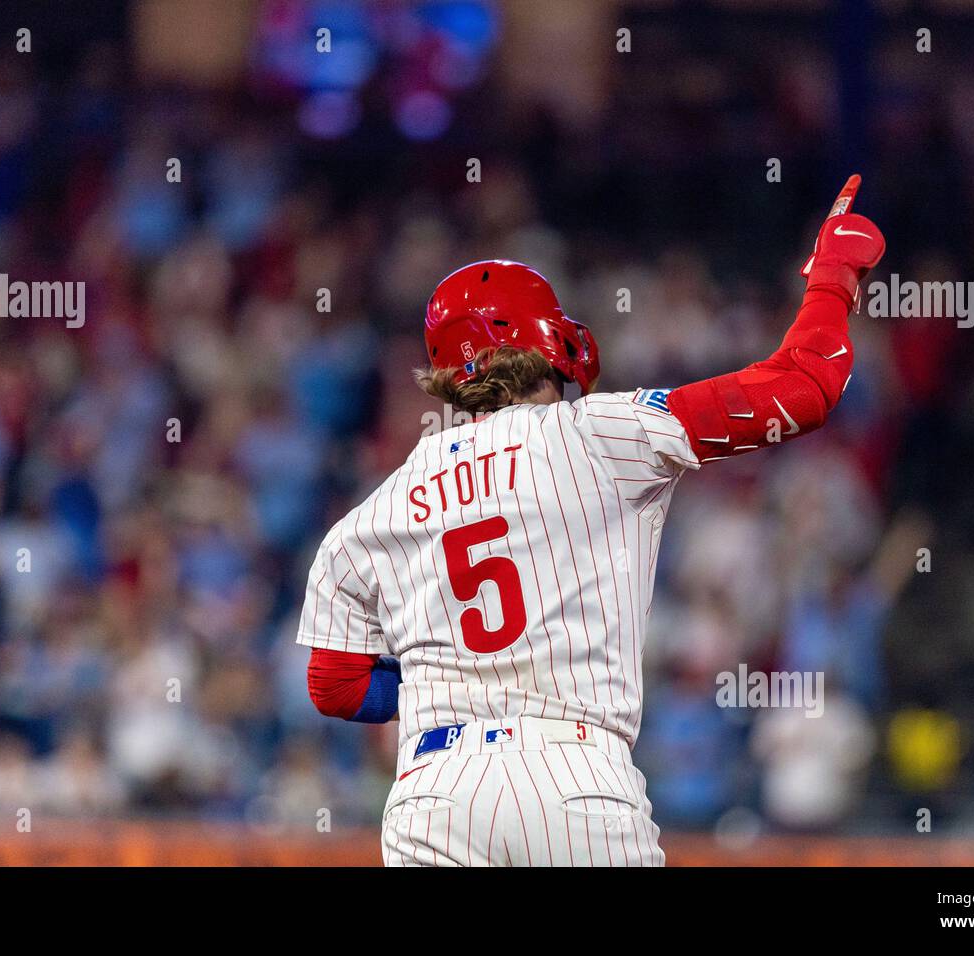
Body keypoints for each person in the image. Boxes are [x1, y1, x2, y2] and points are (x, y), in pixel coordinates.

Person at [296, 177, 885, 866]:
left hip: (433, 793)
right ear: (551, 342)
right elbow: (803, 388)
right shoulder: (601, 433)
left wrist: (437, 688)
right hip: (571, 774)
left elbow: (332, 683)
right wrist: (834, 276)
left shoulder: (374, 512)